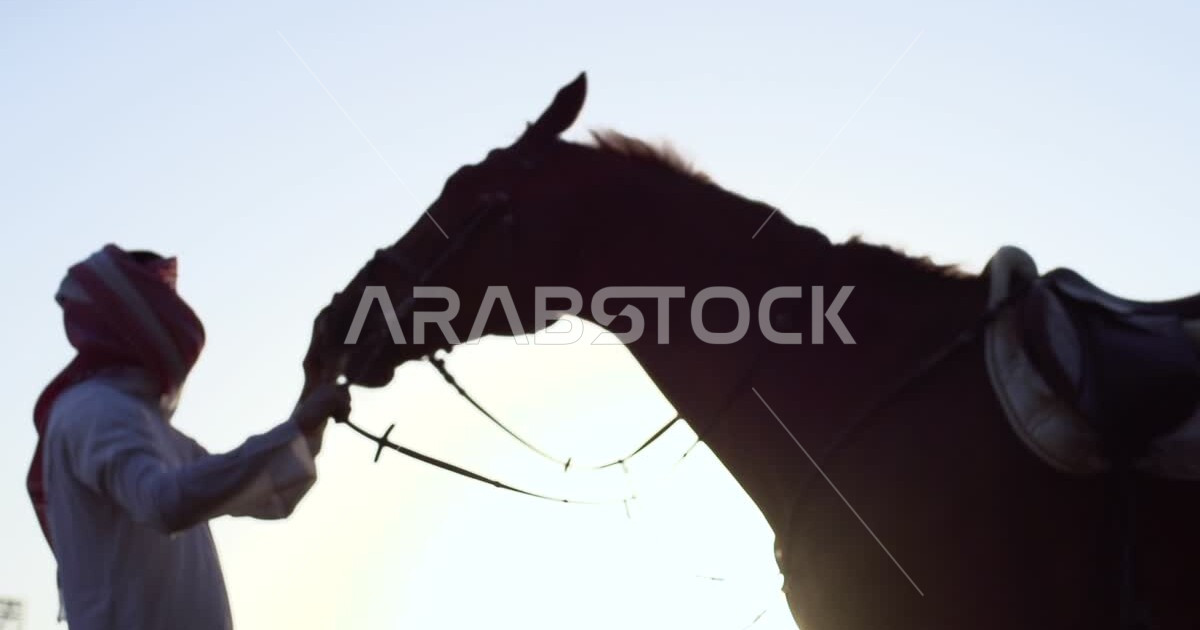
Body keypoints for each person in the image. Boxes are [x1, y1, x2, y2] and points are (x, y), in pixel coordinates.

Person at [27, 244, 350, 629]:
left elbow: (269, 493)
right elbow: (164, 501)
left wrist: (309, 410)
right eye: (159, 296)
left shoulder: (153, 429)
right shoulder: (92, 410)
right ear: (132, 311)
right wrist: (298, 427)